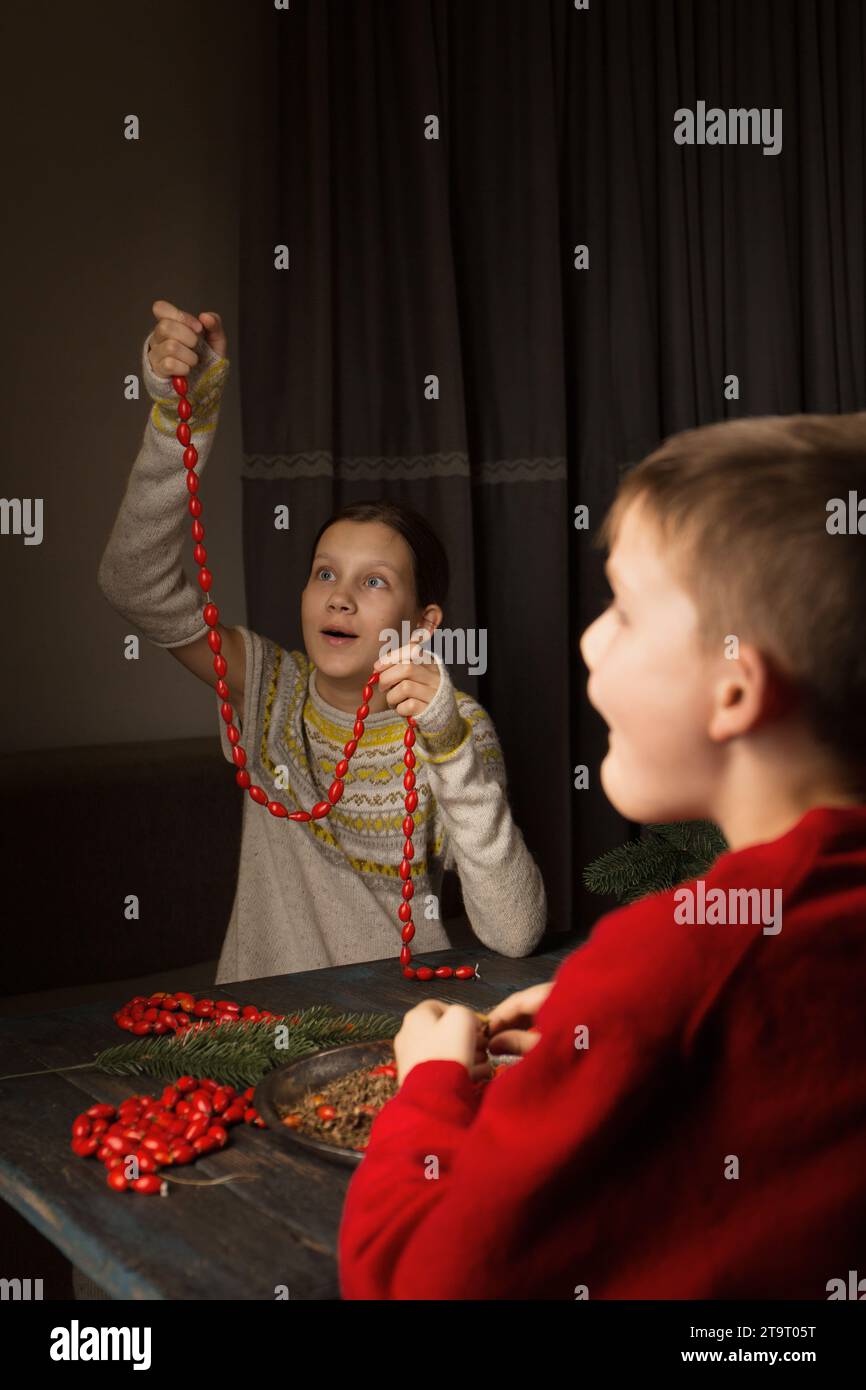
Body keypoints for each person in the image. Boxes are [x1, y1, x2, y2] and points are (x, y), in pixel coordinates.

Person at [338, 410, 866, 1299]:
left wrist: (428, 1087)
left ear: (735, 687)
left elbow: (411, 1282)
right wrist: (609, 1020)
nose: (588, 638)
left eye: (623, 610)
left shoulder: (673, 963)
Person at [97, 301, 547, 983]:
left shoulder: (456, 730)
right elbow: (132, 584)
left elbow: (515, 933)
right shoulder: (266, 688)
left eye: (373, 582)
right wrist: (176, 420)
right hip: (257, 1037)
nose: (338, 596)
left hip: (394, 1035)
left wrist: (449, 747)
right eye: (326, 574)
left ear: (423, 624)